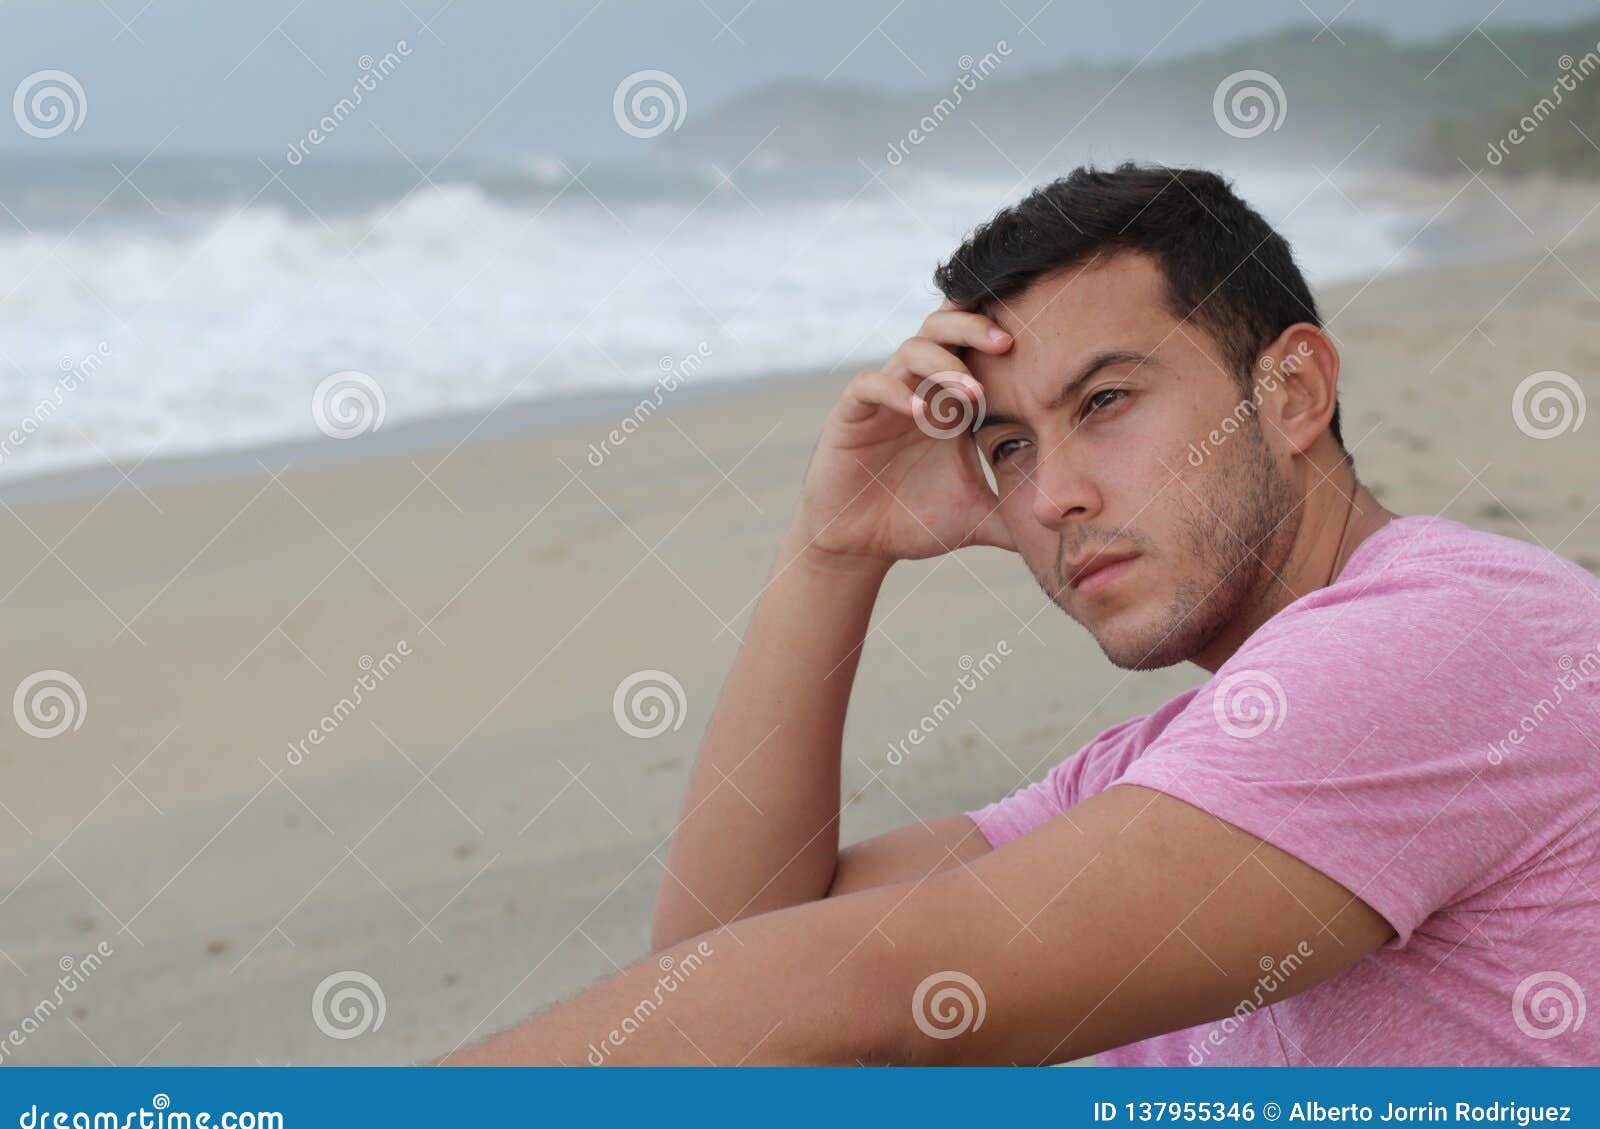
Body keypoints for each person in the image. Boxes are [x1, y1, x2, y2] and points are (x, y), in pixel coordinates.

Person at [443, 163, 1600, 1065]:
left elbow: (869, 993)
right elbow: (721, 959)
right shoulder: (1170, 763)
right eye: (1007, 446)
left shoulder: (1443, 640)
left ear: (1290, 390)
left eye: (1105, 402)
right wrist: (832, 549)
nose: (1053, 496)